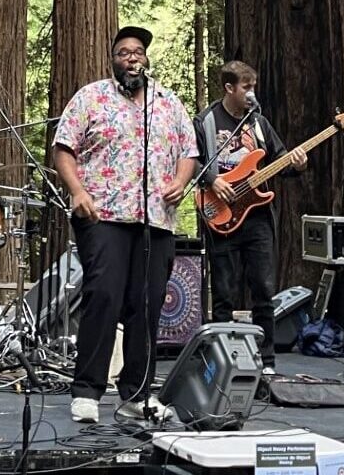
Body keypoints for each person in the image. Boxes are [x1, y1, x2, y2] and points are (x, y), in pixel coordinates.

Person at [54, 26, 198, 424]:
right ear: (113, 61)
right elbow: (63, 148)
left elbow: (189, 150)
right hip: (103, 216)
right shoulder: (91, 97)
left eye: (137, 52)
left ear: (146, 59)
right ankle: (86, 391)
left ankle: (137, 393)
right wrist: (78, 191)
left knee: (148, 305)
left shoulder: (167, 102)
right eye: (123, 53)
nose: (131, 58)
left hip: (156, 221)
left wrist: (180, 181)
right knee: (104, 295)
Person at [194, 61, 307, 374]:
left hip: (257, 218)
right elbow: (191, 162)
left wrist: (296, 163)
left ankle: (266, 362)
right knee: (224, 292)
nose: (251, 93)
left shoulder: (258, 123)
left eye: (253, 87)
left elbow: (279, 160)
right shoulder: (205, 121)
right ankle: (221, 363)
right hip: (222, 214)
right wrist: (211, 181)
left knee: (262, 288)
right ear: (229, 88)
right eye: (246, 87)